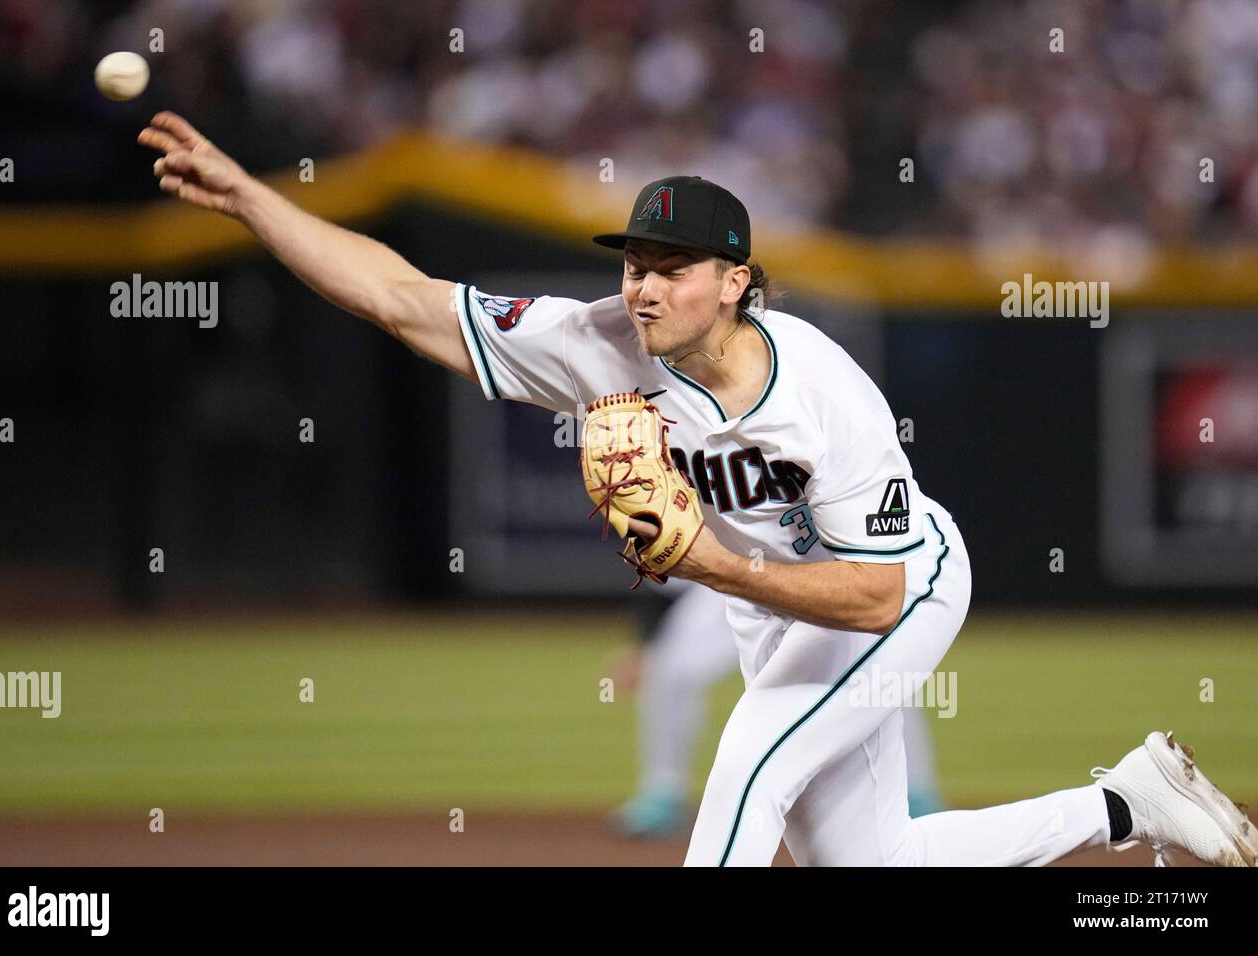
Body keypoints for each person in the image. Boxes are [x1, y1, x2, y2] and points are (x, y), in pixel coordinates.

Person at [139, 112, 1257, 867]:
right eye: (633, 262)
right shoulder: (593, 341)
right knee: (871, 860)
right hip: (772, 607)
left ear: (735, 281)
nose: (642, 285)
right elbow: (400, 297)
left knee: (748, 775)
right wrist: (249, 198)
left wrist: (708, 562)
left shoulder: (826, 392)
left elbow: (871, 596)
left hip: (901, 586)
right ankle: (1127, 804)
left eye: (669, 267)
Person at [612, 580, 945, 839]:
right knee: (671, 669)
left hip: (821, 574)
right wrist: (644, 645)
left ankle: (914, 793)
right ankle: (664, 792)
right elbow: (666, 569)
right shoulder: (703, 493)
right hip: (737, 584)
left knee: (879, 673)